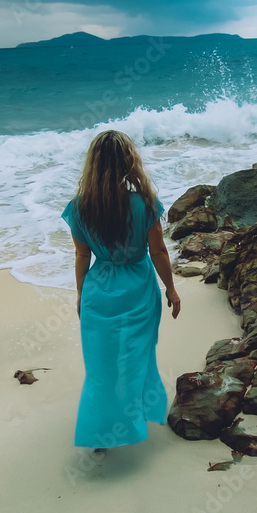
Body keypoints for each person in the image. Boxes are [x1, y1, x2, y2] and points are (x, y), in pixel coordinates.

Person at [60, 130, 181, 450]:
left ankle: (99, 433)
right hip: (138, 290)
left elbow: (82, 255)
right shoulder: (144, 203)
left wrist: (81, 294)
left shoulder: (79, 208)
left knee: (101, 368)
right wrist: (171, 289)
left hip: (99, 293)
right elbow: (158, 252)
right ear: (129, 161)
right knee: (135, 357)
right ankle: (131, 417)